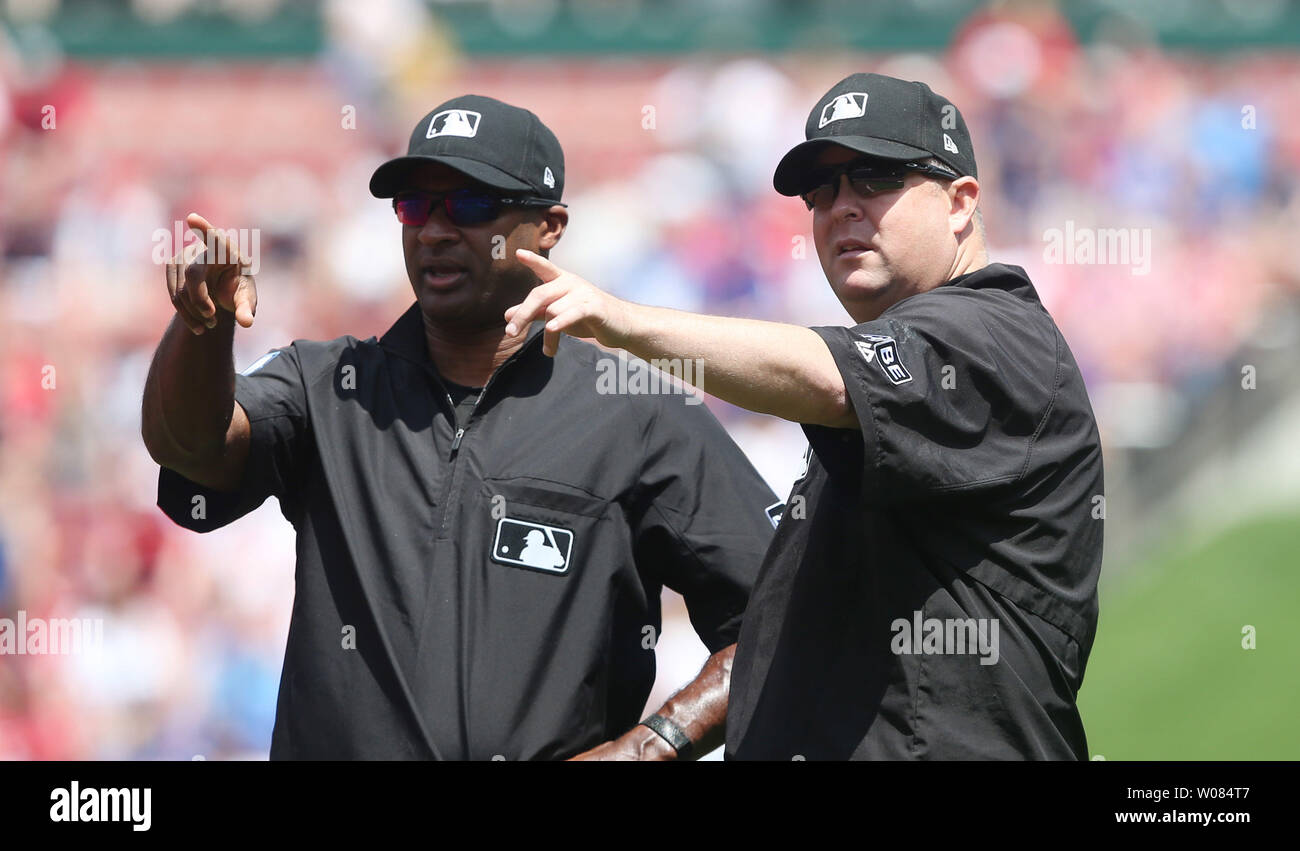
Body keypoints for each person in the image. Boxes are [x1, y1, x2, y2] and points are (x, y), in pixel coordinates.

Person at [141, 95, 779, 760]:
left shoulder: (635, 412)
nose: (436, 230)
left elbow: (780, 617)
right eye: (416, 205)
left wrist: (654, 743)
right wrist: (200, 326)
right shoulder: (328, 384)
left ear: (549, 226)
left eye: (471, 205)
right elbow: (192, 446)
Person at [503, 73, 1105, 759]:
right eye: (821, 191)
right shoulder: (911, 386)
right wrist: (657, 742)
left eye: (875, 177)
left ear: (961, 202)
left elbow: (827, 377)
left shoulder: (995, 333)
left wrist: (620, 320)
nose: (841, 206)